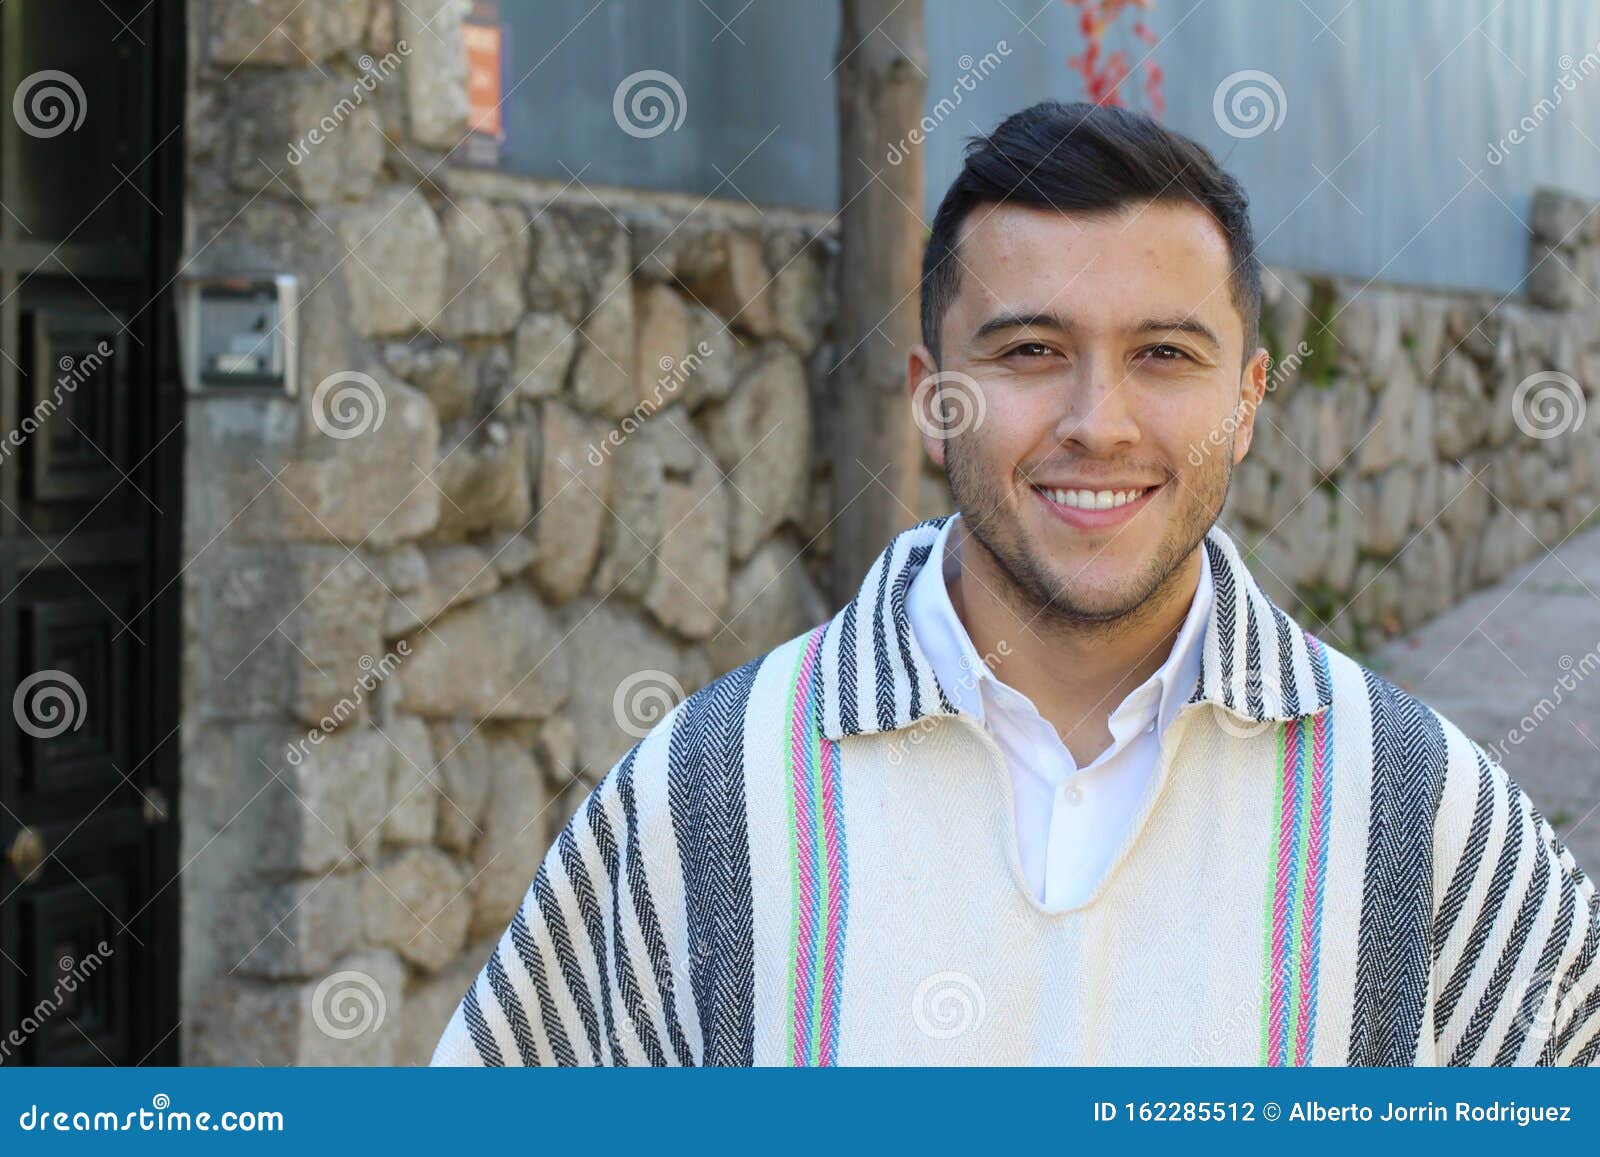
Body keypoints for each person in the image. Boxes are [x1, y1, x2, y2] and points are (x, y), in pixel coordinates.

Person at [431, 100, 1599, 1066]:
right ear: (932, 395)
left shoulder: (1428, 816)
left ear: (1246, 400)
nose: (1098, 422)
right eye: (1030, 351)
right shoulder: (702, 798)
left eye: (1163, 354)